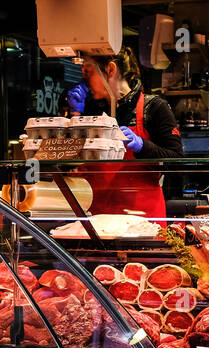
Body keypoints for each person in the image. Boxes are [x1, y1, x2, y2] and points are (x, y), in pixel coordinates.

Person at [65, 47, 183, 219]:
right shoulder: (91, 109)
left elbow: (178, 161)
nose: (84, 81)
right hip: (97, 219)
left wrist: (142, 146)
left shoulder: (155, 107)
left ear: (110, 69)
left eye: (88, 72)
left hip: (143, 220)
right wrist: (73, 119)